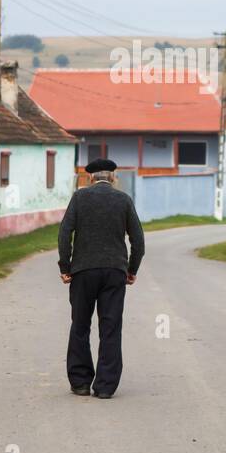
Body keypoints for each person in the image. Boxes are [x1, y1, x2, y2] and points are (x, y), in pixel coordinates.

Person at [58, 158, 145, 399]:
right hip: (114, 272)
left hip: (83, 271)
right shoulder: (124, 200)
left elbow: (64, 233)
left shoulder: (79, 198)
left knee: (80, 326)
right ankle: (105, 386)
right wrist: (131, 269)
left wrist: (65, 266)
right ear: (113, 178)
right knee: (110, 327)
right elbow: (139, 242)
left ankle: (80, 382)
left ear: (89, 178)